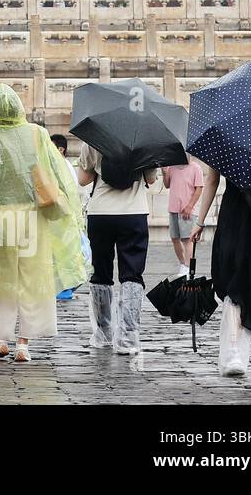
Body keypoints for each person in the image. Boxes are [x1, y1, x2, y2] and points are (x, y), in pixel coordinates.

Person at [0, 85, 86, 362]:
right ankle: (24, 342)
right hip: (33, 218)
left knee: (1, 279)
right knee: (34, 278)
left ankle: (1, 338)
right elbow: (56, 172)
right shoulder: (37, 133)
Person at [191, 168, 251, 377]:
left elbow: (212, 181)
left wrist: (200, 222)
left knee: (236, 283)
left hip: (238, 216)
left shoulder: (226, 137)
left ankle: (234, 353)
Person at [76, 142, 157, 356]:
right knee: (132, 274)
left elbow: (83, 179)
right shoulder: (145, 140)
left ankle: (103, 333)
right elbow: (150, 179)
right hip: (134, 213)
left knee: (100, 273)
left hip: (100, 213)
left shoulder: (92, 138)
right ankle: (128, 337)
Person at [162, 158, 205, 273]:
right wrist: (164, 172)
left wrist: (190, 206)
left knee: (187, 240)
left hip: (188, 211)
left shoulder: (196, 168)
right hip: (173, 209)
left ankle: (186, 267)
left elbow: (199, 189)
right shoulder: (171, 167)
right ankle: (183, 264)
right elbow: (167, 185)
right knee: (175, 238)